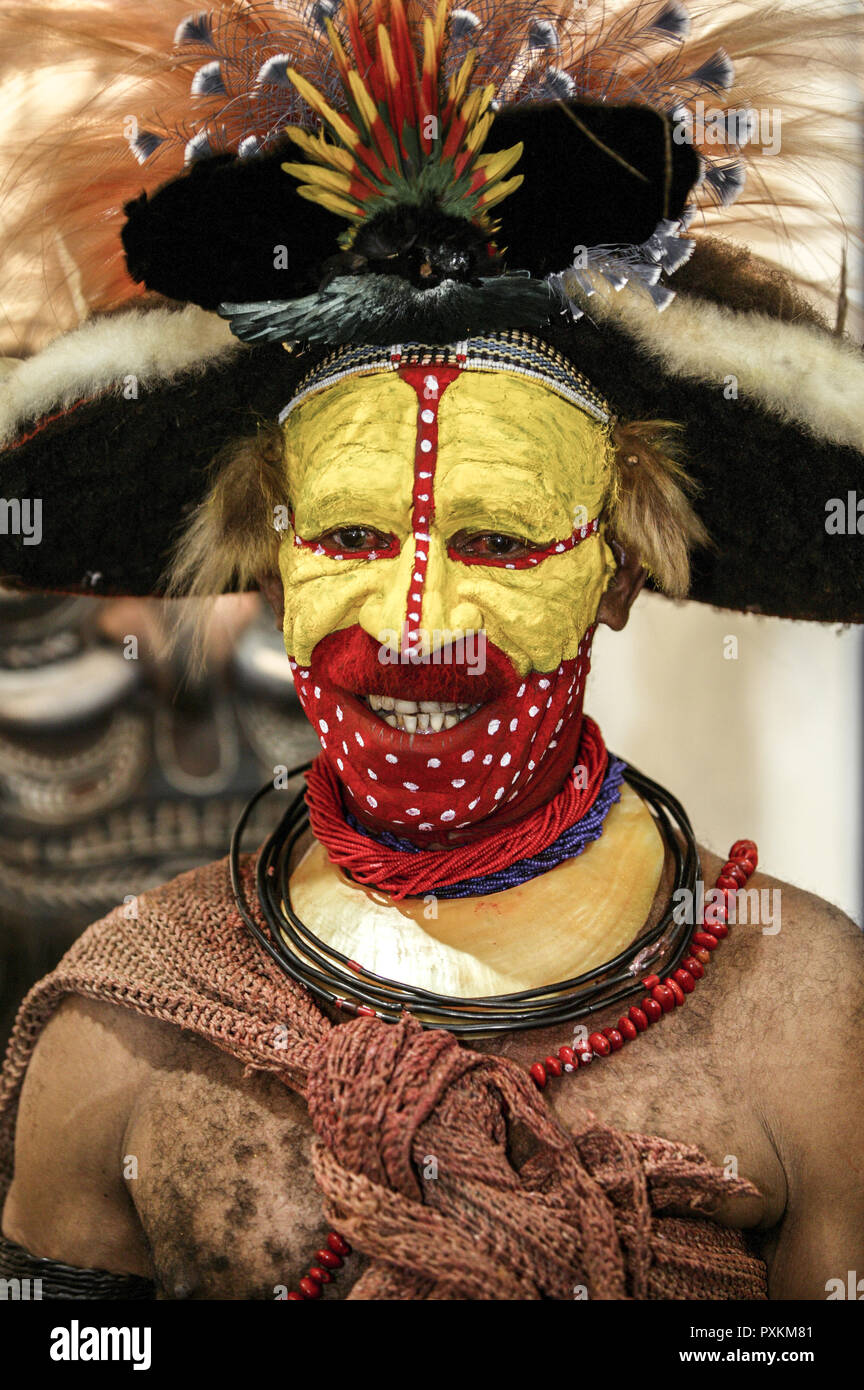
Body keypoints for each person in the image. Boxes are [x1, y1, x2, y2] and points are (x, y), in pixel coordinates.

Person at [0, 0, 862, 1301]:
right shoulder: (123, 1028)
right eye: (347, 534)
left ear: (617, 571)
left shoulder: (806, 1018)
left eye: (505, 543)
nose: (412, 629)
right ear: (268, 557)